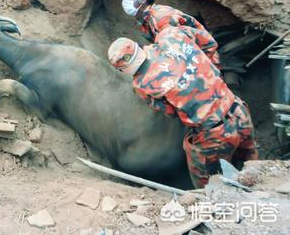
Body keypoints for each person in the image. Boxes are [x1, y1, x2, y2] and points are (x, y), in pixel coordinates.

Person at [108, 29, 258, 188]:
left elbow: (171, 112)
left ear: (123, 70)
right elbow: (207, 41)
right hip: (238, 110)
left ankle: (211, 205)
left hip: (215, 135)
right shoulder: (170, 36)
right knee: (254, 167)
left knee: (208, 184)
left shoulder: (143, 84)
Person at [112, 0, 221, 67]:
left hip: (204, 64)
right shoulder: (146, 19)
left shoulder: (162, 19)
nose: (124, 2)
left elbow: (181, 52)